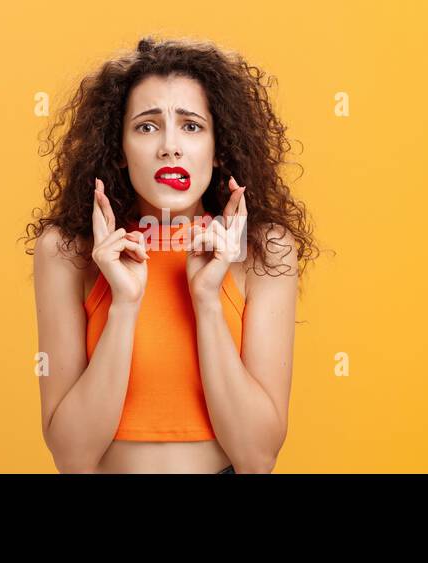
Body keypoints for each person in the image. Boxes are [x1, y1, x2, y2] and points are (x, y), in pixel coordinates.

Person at [24, 36, 316, 473]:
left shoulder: (264, 249)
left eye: (192, 126)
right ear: (118, 151)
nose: (170, 146)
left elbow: (257, 459)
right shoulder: (67, 252)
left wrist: (207, 301)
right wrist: (123, 304)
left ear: (219, 149)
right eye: (146, 126)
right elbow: (72, 457)